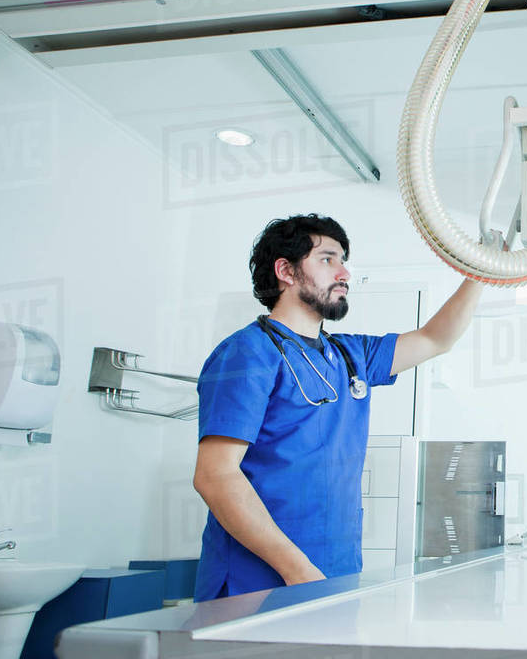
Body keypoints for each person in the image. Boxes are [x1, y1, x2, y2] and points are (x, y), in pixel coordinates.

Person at [191, 213, 482, 601]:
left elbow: (435, 339)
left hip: (334, 573)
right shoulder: (248, 353)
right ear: (286, 271)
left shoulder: (349, 354)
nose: (344, 273)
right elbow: (215, 477)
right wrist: (298, 571)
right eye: (327, 259)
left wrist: (482, 269)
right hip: (257, 582)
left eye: (343, 261)